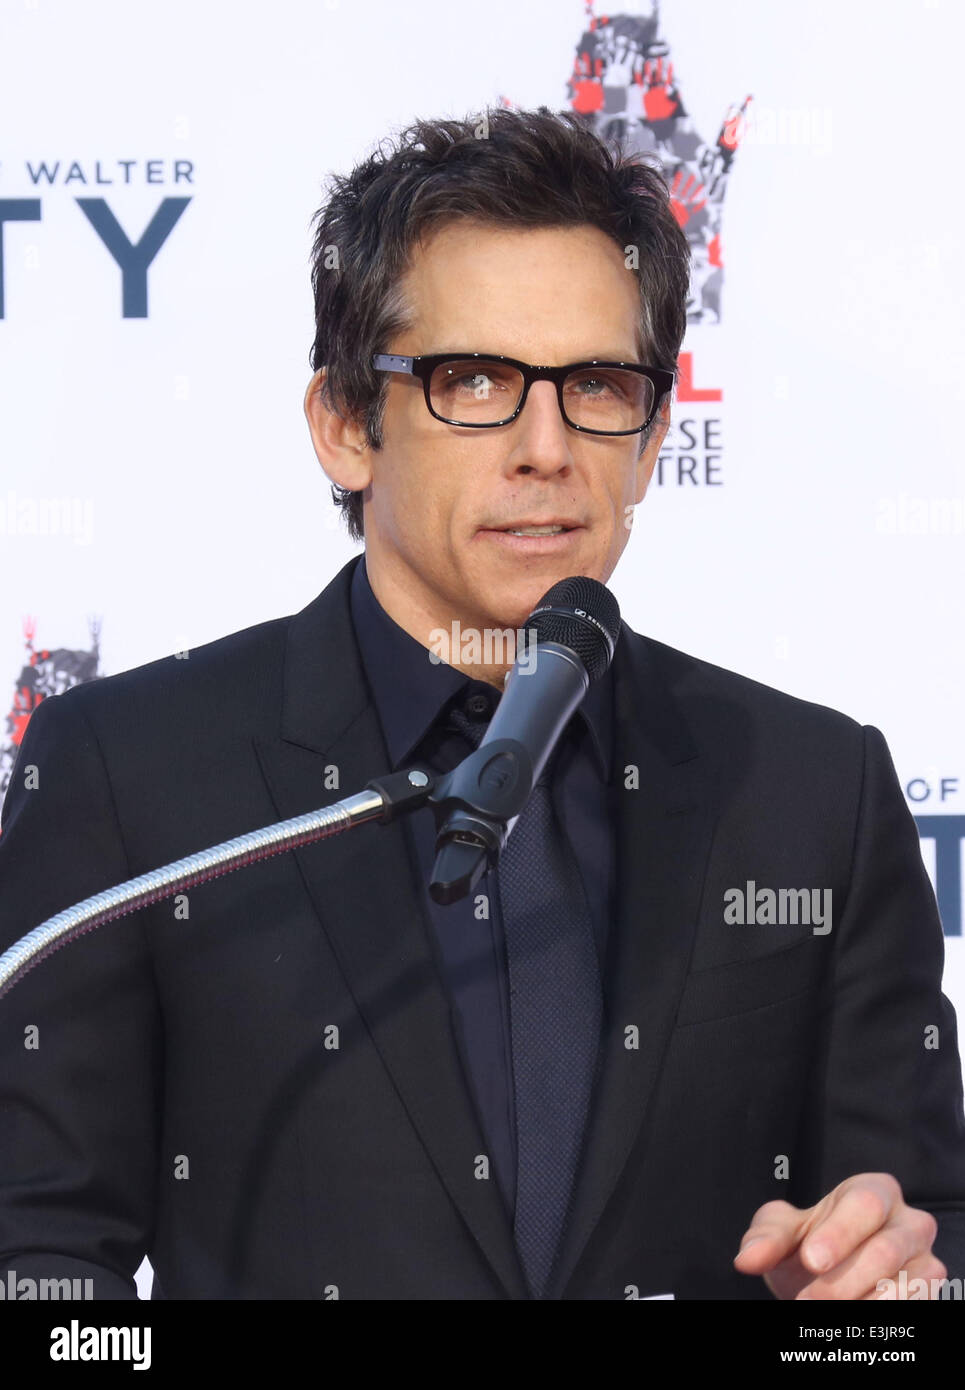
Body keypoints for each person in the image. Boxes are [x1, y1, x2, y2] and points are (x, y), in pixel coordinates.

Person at [1, 106, 964, 1302]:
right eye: (473, 381)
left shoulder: (812, 787)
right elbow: (40, 1255)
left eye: (598, 386)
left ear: (653, 436)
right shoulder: (128, 773)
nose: (545, 446)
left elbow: (923, 1234)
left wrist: (889, 1304)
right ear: (345, 426)